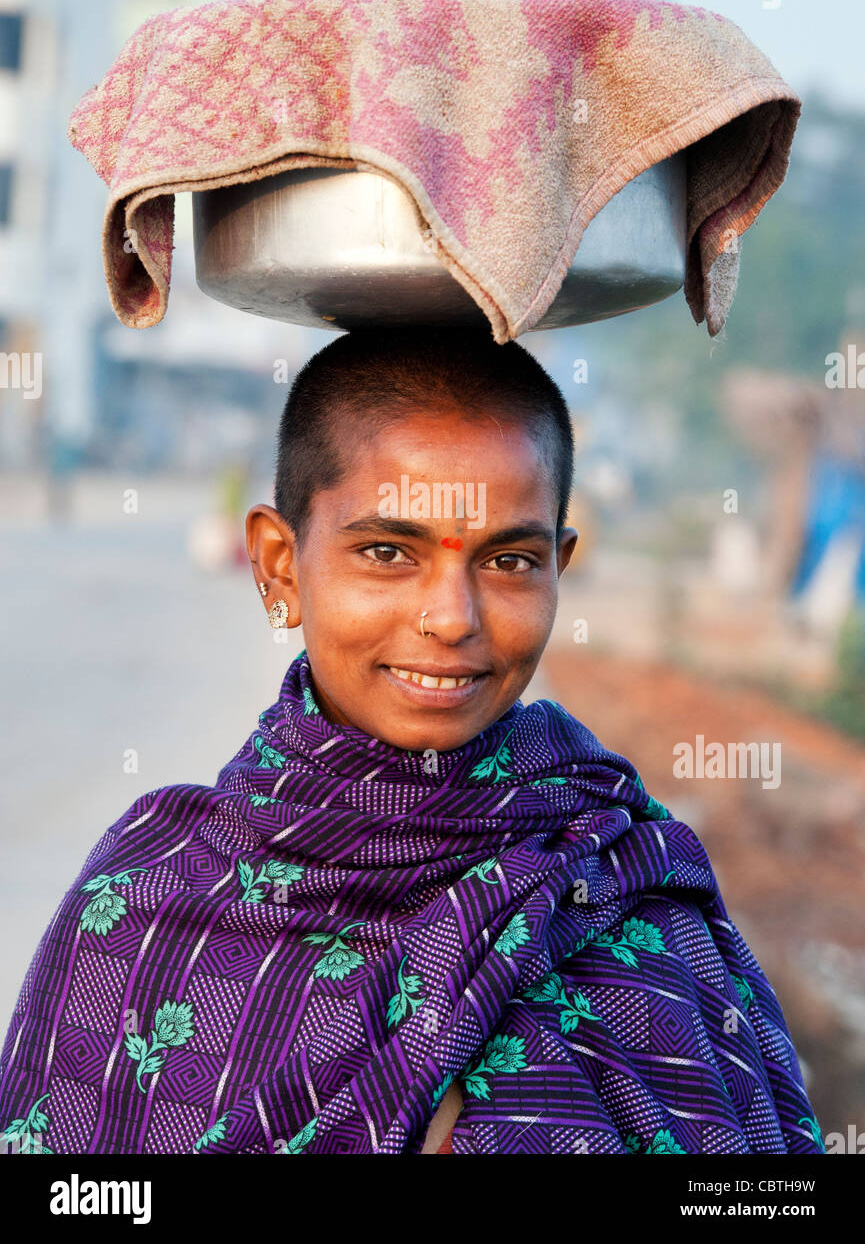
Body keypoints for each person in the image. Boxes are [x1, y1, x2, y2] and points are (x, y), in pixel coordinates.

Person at [0, 327, 823, 1155]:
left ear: (559, 569)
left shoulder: (624, 894)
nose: (453, 619)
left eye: (508, 562)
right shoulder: (147, 894)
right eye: (388, 551)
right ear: (280, 567)